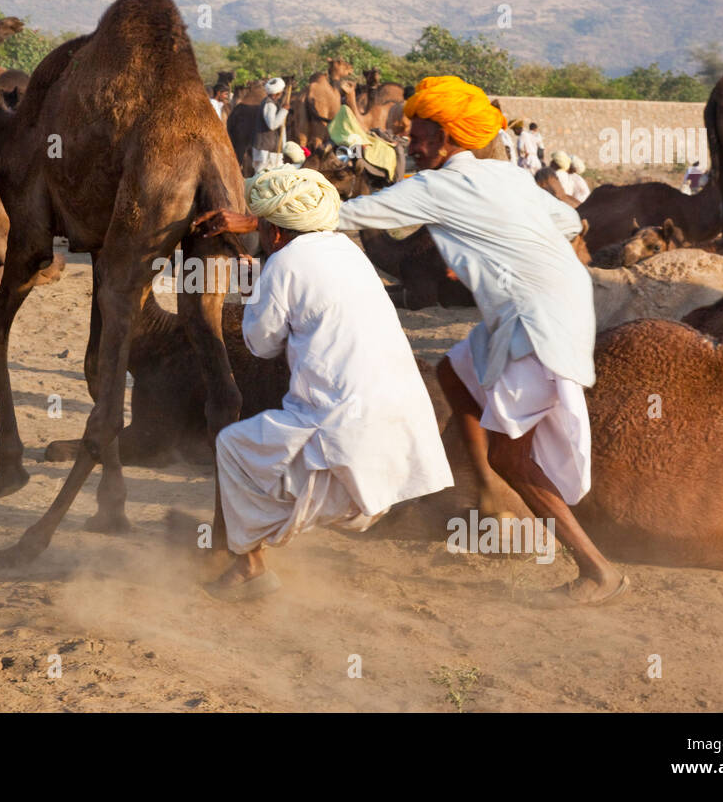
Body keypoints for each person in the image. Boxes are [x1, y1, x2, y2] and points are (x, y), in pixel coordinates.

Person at [195, 76, 628, 605]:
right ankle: (480, 488)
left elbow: (345, 215)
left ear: (448, 138)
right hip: (543, 309)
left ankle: (596, 568)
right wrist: (499, 247)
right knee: (452, 373)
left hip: (531, 322)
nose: (410, 146)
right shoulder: (507, 176)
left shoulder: (439, 187)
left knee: (515, 459)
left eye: (419, 137)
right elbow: (569, 219)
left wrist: (254, 219)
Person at [198, 167, 453, 600]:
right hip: (403, 414)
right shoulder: (349, 251)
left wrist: (252, 286)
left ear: (275, 233)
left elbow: (260, 345)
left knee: (233, 447)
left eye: (262, 225)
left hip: (342, 419)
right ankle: (252, 552)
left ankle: (250, 566)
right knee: (273, 457)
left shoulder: (280, 264)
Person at [252, 78, 290, 171]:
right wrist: (284, 110)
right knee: (263, 176)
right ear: (277, 94)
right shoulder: (270, 104)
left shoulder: (270, 102)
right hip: (267, 150)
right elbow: (272, 125)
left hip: (269, 148)